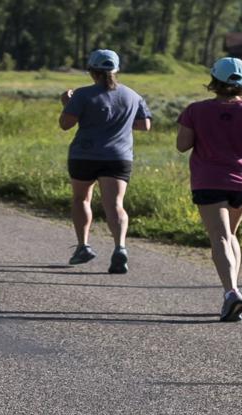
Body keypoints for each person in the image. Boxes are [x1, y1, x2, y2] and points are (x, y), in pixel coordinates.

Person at [177, 57, 242, 322]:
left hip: (209, 179)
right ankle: (233, 289)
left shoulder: (195, 110)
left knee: (220, 237)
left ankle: (231, 292)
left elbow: (182, 145)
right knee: (231, 234)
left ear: (214, 80)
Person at [60, 49, 151, 273]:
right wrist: (119, 122)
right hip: (118, 157)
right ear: (116, 70)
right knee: (115, 204)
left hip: (84, 155)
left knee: (81, 199)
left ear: (92, 71)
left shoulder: (82, 95)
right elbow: (144, 125)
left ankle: (83, 246)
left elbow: (65, 124)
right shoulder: (132, 95)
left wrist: (67, 103)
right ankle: (120, 247)